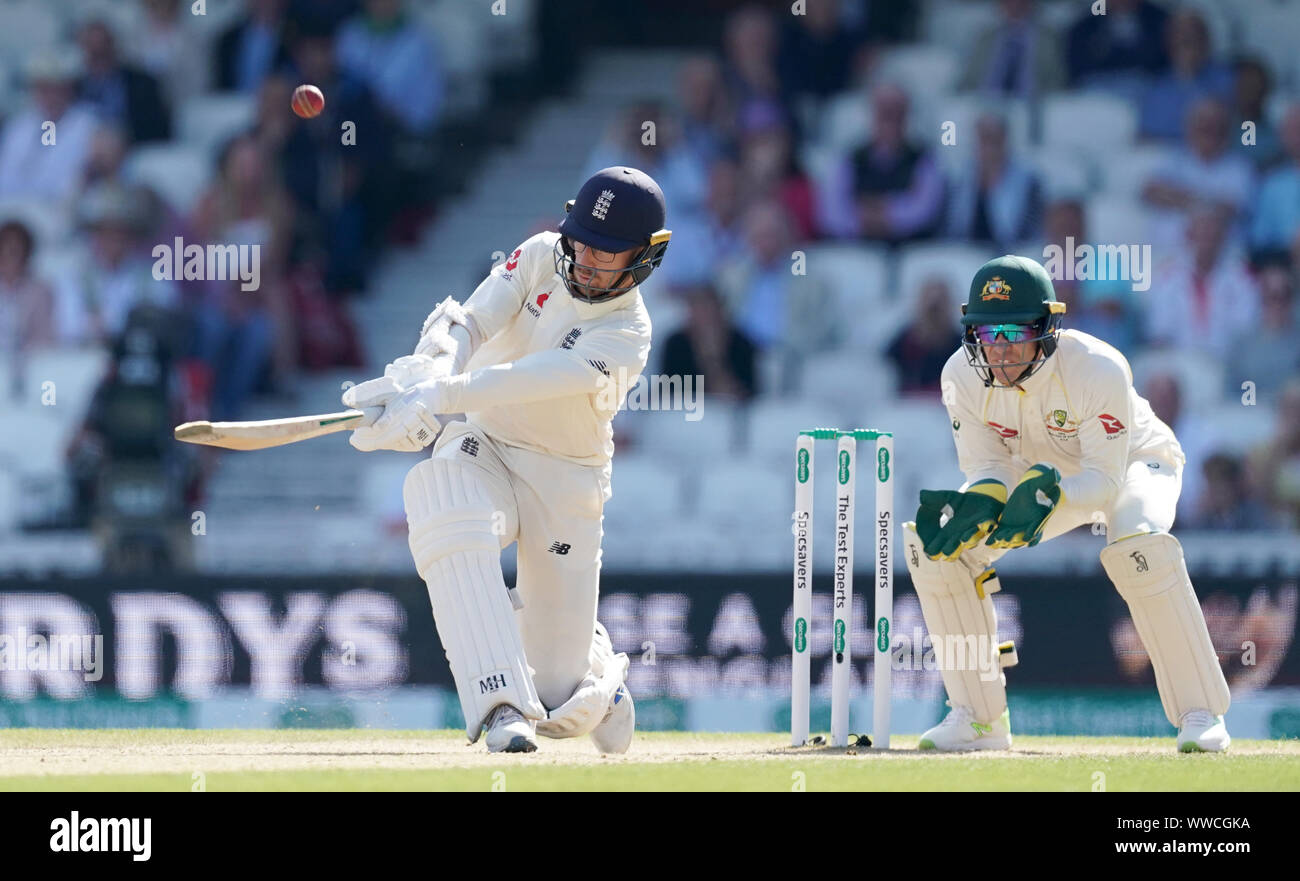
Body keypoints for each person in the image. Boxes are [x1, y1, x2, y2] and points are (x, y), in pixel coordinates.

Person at [341, 167, 670, 753]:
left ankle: (600, 685)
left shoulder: (628, 333)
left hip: (564, 479)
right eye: (583, 242)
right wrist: (430, 367)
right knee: (441, 500)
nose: (588, 259)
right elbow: (471, 320)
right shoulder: (542, 255)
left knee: (558, 700)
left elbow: (533, 380)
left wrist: (441, 396)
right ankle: (499, 707)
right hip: (486, 443)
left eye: (608, 252)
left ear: (642, 258)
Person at [903, 254, 1231, 754]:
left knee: (1137, 545)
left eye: (1015, 334)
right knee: (940, 552)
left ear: (1047, 328)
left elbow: (1102, 482)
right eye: (988, 336)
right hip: (1037, 476)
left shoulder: (1097, 367)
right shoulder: (960, 377)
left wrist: (1042, 499)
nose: (1001, 351)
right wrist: (977, 505)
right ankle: (979, 721)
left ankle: (1201, 715)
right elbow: (988, 469)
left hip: (1134, 464)